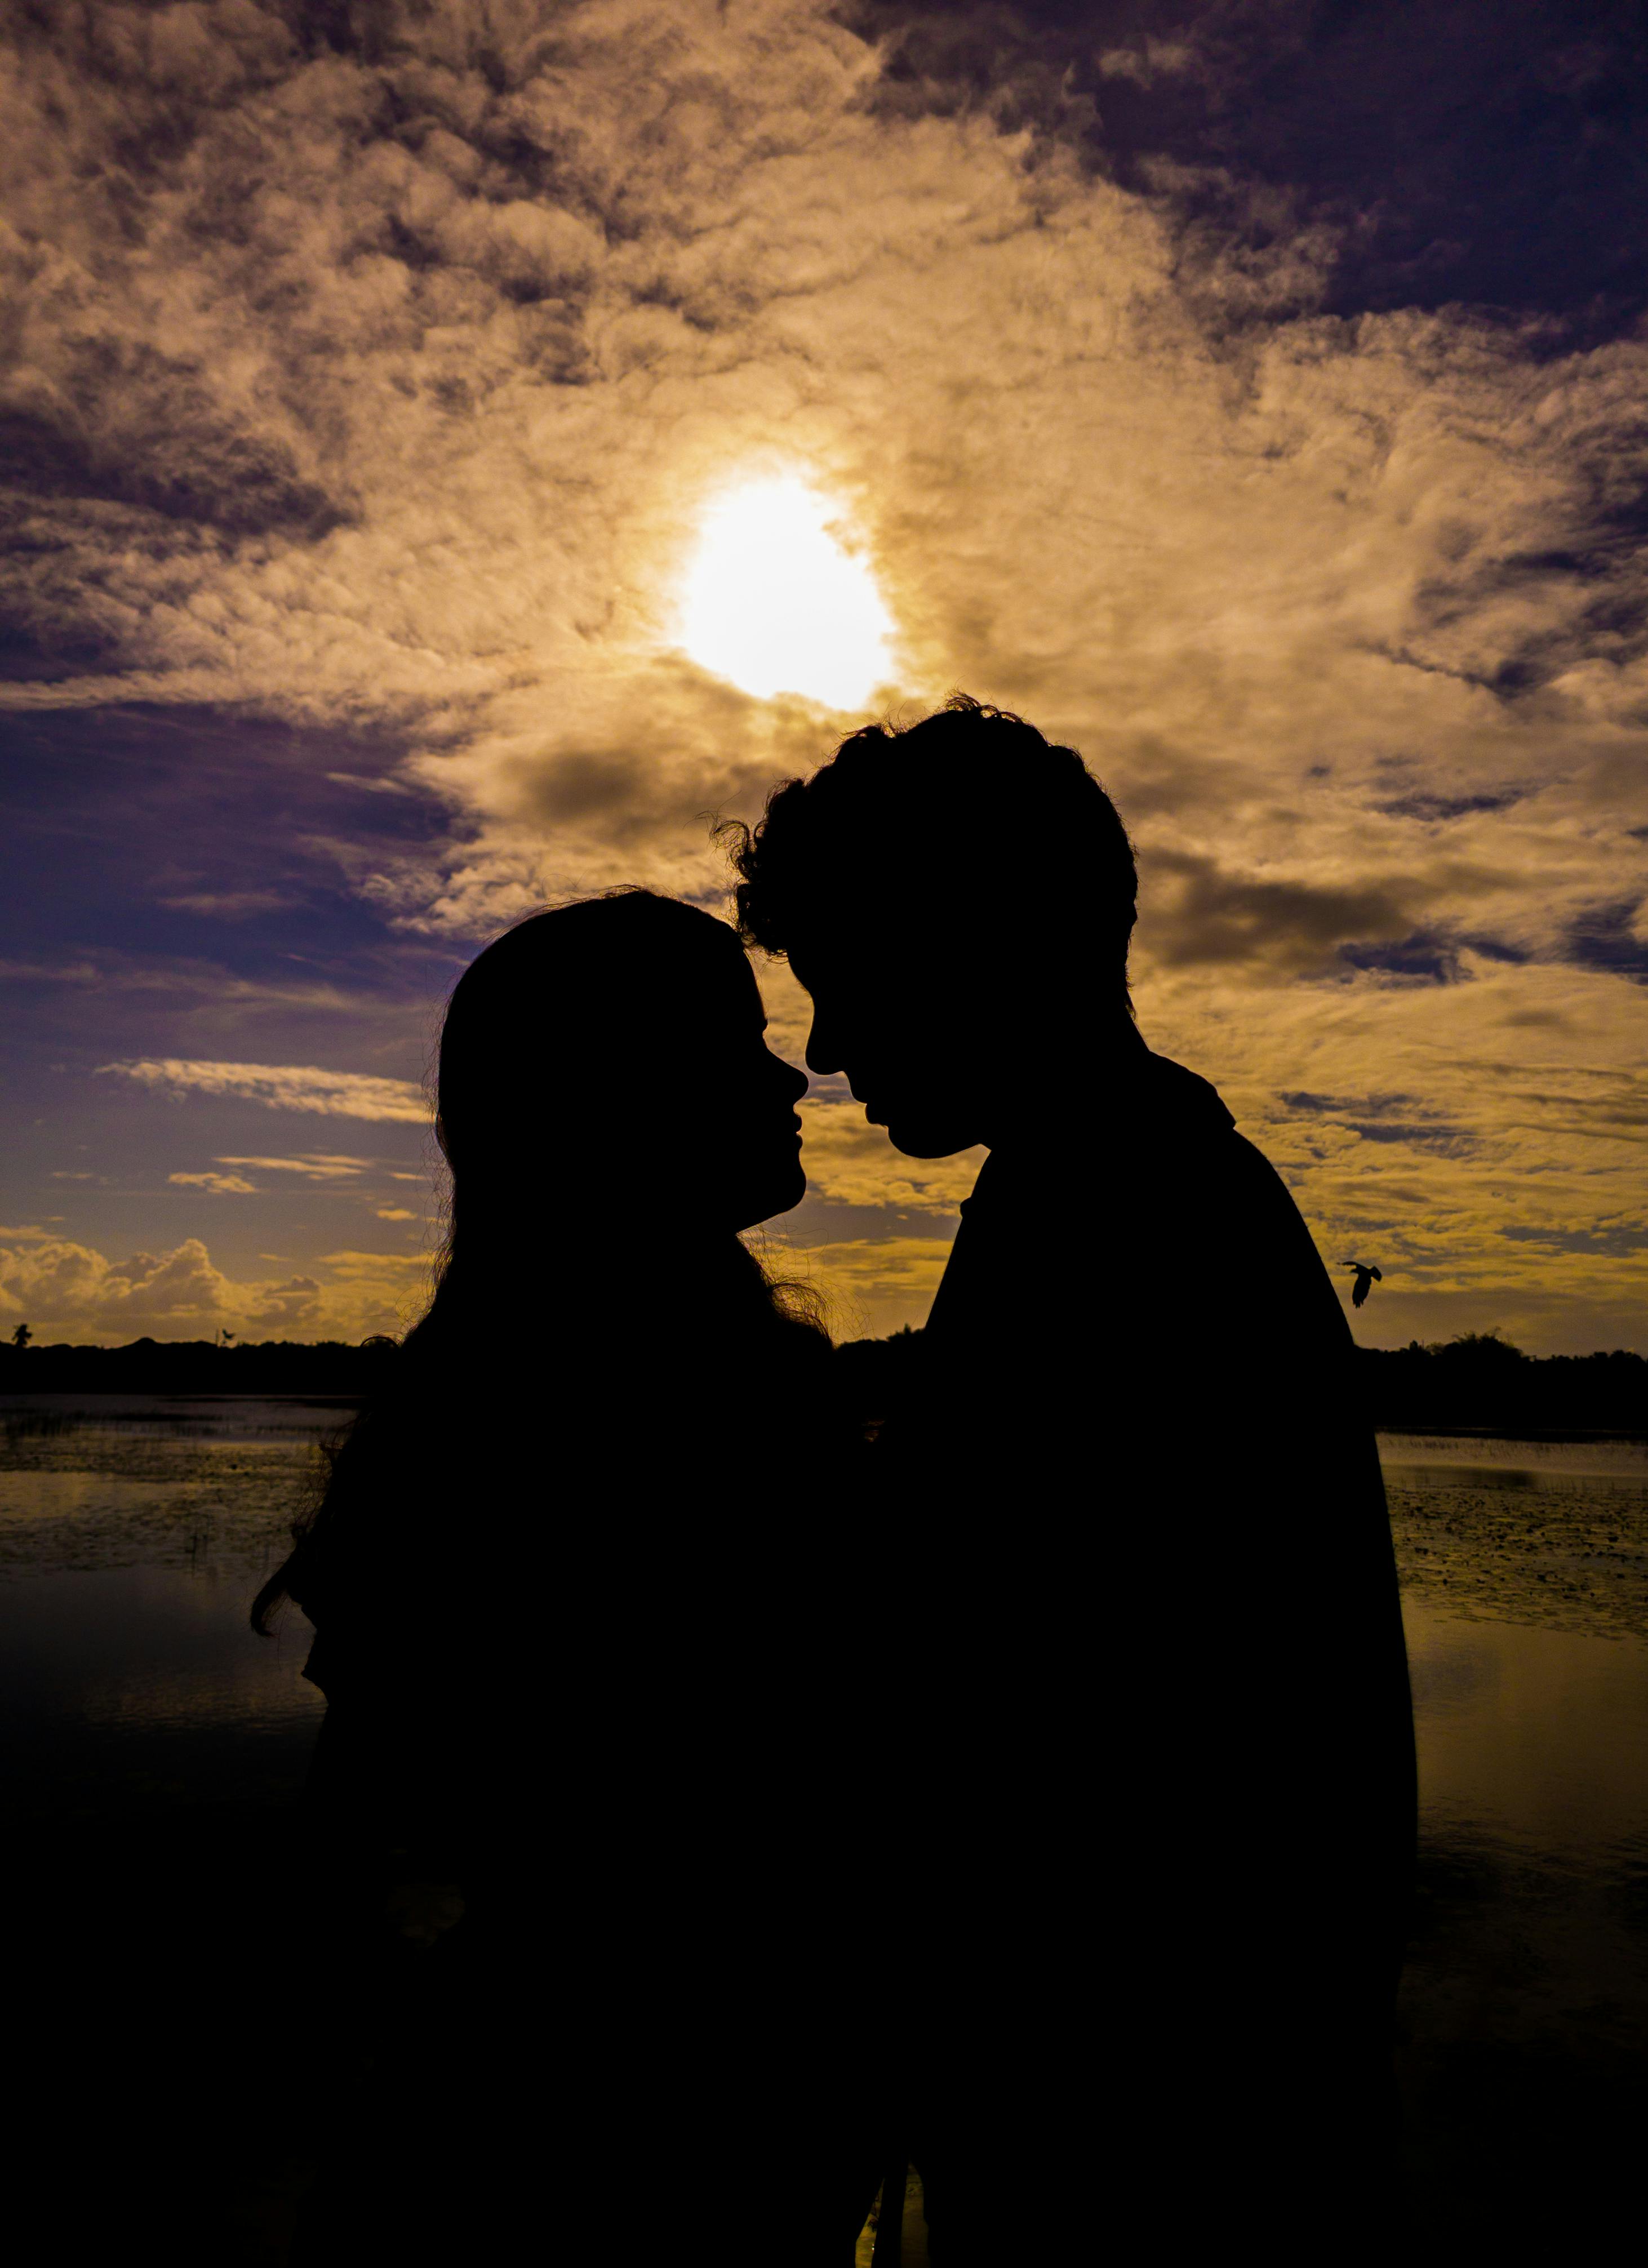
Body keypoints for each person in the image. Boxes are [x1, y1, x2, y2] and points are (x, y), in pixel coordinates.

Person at [726, 696, 1418, 2258]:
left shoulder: (1121, 1227)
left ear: (972, 942)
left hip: (1159, 2167)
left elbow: (1023, 1737)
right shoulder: (1114, 1193)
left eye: (843, 980)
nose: (826, 1051)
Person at [252, 890, 879, 2264]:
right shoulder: (689, 1419)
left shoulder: (473, 1402)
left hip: (541, 2125)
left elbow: (344, 1848)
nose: (793, 1079)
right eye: (738, 1046)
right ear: (623, 1099)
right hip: (624, 2158)